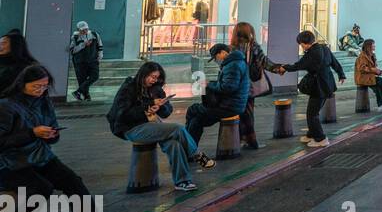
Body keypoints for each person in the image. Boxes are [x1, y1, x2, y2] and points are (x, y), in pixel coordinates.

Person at [0, 65, 119, 212]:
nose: (40, 90)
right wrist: (32, 133)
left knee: (72, 181)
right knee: (41, 188)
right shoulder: (7, 106)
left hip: (40, 156)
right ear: (23, 84)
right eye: (36, 86)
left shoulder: (44, 102)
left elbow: (52, 128)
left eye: (44, 86)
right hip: (11, 163)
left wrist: (52, 135)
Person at [108, 61, 208, 189]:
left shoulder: (156, 89)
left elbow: (167, 112)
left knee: (174, 144)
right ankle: (196, 154)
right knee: (177, 128)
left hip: (152, 124)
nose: (154, 80)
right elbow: (123, 114)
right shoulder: (129, 88)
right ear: (143, 74)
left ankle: (183, 181)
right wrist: (148, 105)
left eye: (156, 78)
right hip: (131, 128)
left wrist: (160, 107)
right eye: (152, 77)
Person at [274, 30, 337, 148]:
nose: (301, 46)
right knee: (313, 111)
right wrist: (341, 74)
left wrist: (284, 68)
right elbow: (334, 62)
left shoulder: (312, 53)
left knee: (312, 114)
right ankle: (311, 134)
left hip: (319, 86)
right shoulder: (324, 48)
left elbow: (298, 65)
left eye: (301, 44)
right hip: (326, 84)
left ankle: (320, 138)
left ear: (306, 43)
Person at [184, 43, 250, 151]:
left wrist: (208, 84)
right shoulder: (236, 62)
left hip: (229, 107)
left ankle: (186, 146)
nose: (215, 60)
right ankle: (189, 150)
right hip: (230, 104)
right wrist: (211, 83)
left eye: (216, 57)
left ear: (223, 52)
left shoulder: (233, 65)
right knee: (196, 120)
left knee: (192, 110)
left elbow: (228, 87)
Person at [232, 21, 274, 150]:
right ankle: (251, 140)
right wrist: (278, 68)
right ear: (248, 32)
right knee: (248, 112)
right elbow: (264, 61)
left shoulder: (232, 48)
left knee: (238, 112)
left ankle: (237, 139)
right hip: (248, 86)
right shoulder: (253, 46)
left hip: (235, 86)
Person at [67, 21, 103, 102]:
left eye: (86, 29)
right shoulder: (75, 37)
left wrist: (100, 56)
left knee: (95, 76)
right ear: (78, 30)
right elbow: (72, 50)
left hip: (93, 60)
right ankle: (87, 97)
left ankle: (78, 92)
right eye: (82, 30)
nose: (84, 31)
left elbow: (100, 45)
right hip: (80, 62)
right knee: (82, 79)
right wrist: (83, 45)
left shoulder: (94, 35)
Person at [355, 39, 382, 112]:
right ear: (369, 46)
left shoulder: (372, 55)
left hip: (369, 77)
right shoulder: (362, 56)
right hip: (363, 78)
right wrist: (374, 70)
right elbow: (362, 68)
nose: (375, 46)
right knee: (380, 80)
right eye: (373, 45)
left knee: (378, 87)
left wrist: (378, 71)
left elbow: (372, 68)